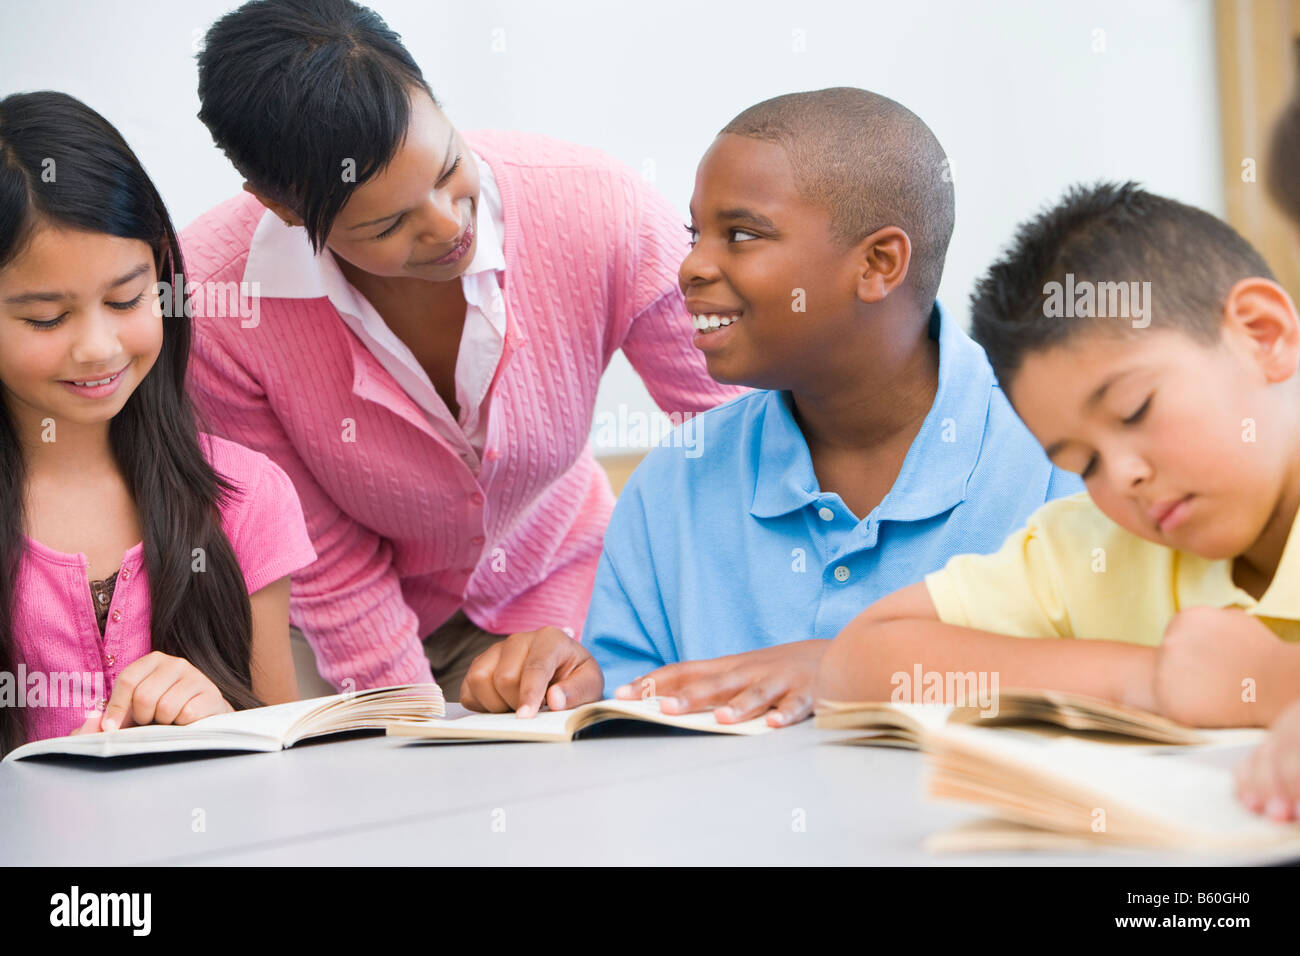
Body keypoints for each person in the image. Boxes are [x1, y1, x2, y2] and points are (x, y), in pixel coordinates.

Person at [461, 88, 1079, 724]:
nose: (691, 266)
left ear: (878, 264)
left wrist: (856, 670)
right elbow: (634, 708)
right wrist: (573, 685)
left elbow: (1129, 680)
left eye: (741, 235)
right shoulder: (673, 484)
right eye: (695, 234)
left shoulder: (1069, 458)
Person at [181, 0, 743, 700]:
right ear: (283, 208)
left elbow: (736, 434)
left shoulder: (603, 210)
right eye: (388, 223)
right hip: (328, 629)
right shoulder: (214, 304)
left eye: (449, 168)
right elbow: (323, 558)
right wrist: (411, 722)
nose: (449, 227)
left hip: (555, 587)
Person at [819, 182, 1300, 738]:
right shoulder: (1089, 549)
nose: (1123, 476)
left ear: (1261, 335)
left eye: (1135, 410)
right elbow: (858, 661)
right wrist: (1149, 679)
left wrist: (1274, 681)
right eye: (1084, 464)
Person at [0, 91, 316, 752]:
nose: (98, 348)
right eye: (46, 318)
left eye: (126, 299)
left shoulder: (245, 499)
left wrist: (222, 724)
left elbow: (283, 765)